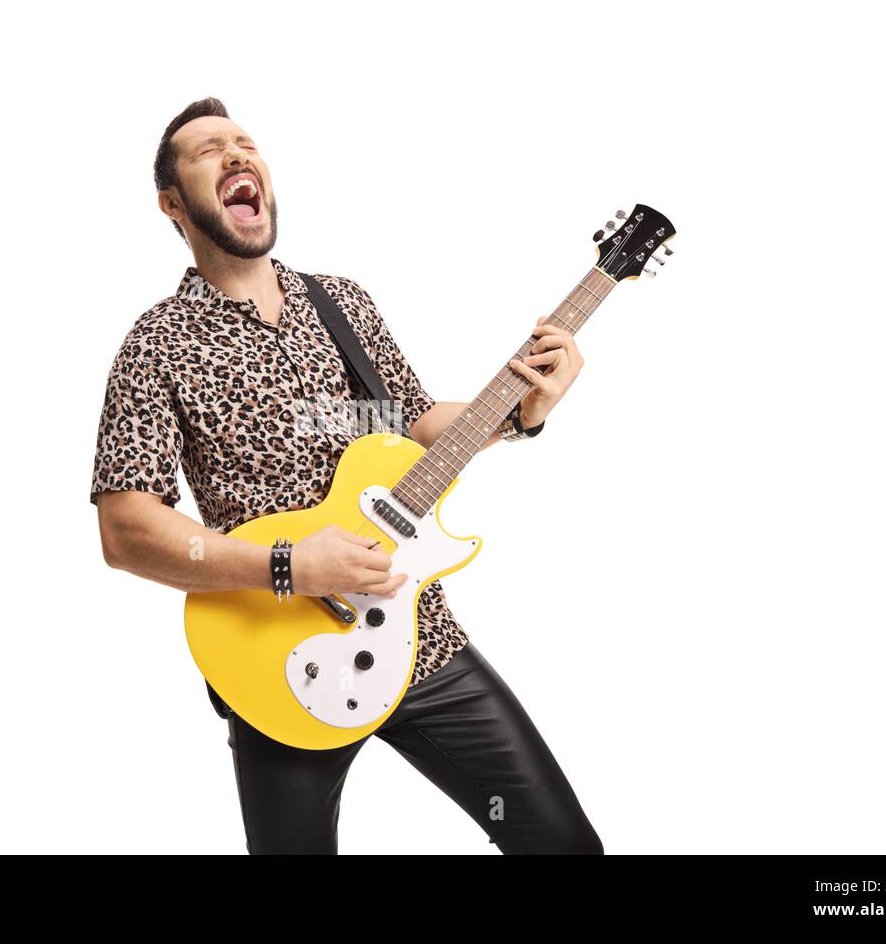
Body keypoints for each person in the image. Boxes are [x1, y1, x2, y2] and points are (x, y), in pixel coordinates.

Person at [92, 97, 602, 854]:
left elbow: (414, 425)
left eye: (245, 143)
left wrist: (520, 409)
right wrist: (288, 566)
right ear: (172, 203)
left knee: (561, 846)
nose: (236, 155)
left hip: (422, 641)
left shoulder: (341, 304)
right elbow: (126, 529)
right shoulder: (157, 342)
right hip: (278, 665)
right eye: (209, 152)